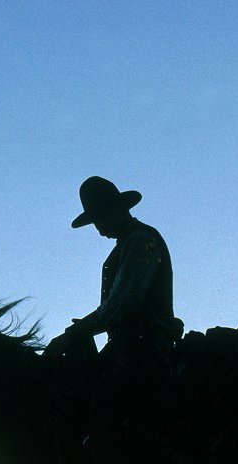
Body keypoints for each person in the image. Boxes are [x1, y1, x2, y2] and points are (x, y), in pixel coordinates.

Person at [45, 175, 184, 436]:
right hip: (127, 346)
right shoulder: (126, 245)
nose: (97, 229)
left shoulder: (141, 241)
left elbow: (119, 306)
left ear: (115, 211)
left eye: (98, 219)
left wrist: (72, 335)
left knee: (103, 405)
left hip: (145, 346)